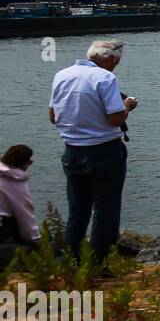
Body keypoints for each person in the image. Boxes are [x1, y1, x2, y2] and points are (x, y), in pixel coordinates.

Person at [48, 39, 136, 260]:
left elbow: (53, 117)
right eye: (117, 62)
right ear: (111, 59)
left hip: (72, 151)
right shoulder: (106, 78)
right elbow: (115, 119)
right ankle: (98, 263)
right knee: (105, 209)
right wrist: (127, 107)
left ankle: (69, 261)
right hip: (104, 152)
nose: (116, 66)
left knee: (77, 211)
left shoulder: (62, 75)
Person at [0, 145, 38, 251]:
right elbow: (25, 215)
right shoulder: (15, 183)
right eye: (29, 161)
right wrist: (35, 240)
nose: (31, 163)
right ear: (22, 164)